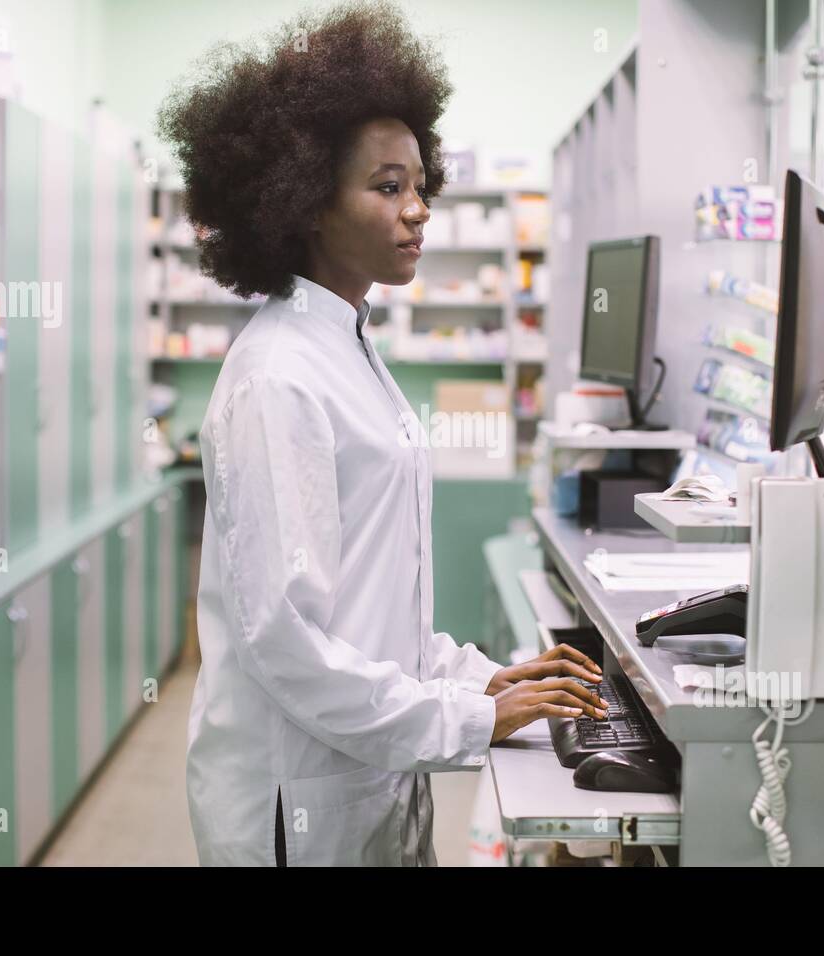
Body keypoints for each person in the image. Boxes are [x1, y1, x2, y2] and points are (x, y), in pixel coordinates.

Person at [157, 0, 608, 867]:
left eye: (420, 185)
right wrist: (468, 718)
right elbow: (289, 643)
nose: (419, 211)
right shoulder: (279, 377)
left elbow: (369, 605)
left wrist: (473, 676)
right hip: (299, 806)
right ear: (306, 206)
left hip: (361, 776)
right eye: (387, 187)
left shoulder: (349, 345)